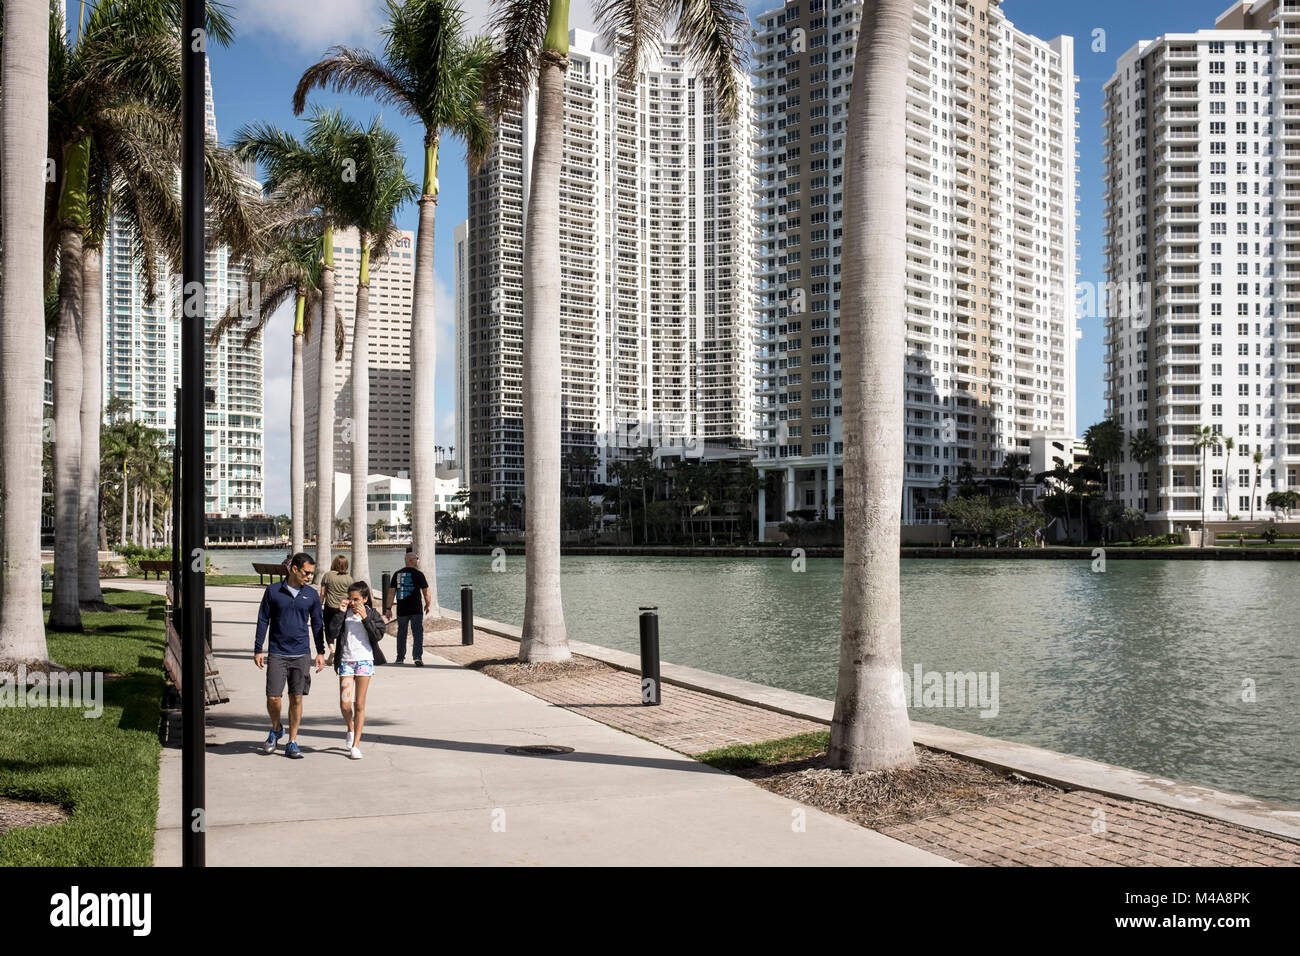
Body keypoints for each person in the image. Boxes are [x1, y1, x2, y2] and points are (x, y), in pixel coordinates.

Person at [254, 552, 326, 759]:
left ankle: (292, 741)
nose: (309, 576)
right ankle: (276, 728)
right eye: (306, 572)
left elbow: (318, 625)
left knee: (296, 698)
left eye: (311, 573)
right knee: (273, 697)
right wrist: (258, 648)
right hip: (277, 652)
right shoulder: (273, 591)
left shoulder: (311, 595)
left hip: (301, 653)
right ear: (294, 569)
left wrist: (320, 652)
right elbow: (262, 620)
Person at [326, 581, 386, 760]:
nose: (352, 602)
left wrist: (365, 617)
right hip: (346, 661)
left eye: (356, 599)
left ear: (365, 599)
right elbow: (332, 632)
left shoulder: (372, 613)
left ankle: (356, 745)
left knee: (359, 704)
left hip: (365, 661)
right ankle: (350, 729)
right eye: (350, 598)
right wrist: (339, 613)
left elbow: (378, 635)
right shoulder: (344, 614)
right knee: (345, 704)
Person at [385, 549, 430, 666]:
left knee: (401, 633)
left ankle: (400, 657)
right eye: (417, 558)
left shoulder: (397, 574)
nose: (418, 560)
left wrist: (388, 608)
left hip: (402, 609)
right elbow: (426, 592)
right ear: (411, 560)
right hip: (416, 610)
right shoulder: (419, 574)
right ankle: (417, 657)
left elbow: (391, 593)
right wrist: (428, 604)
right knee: (417, 633)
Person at [318, 554, 353, 663]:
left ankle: (332, 649)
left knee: (328, 630)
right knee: (342, 630)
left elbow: (323, 593)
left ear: (334, 563)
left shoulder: (327, 575)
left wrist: (319, 605)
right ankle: (341, 653)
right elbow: (351, 596)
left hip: (330, 607)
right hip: (343, 609)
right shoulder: (349, 579)